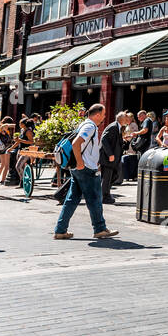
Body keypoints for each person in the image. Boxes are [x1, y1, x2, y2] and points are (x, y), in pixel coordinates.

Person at [53, 103, 119, 241]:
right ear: (97, 115)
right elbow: (76, 143)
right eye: (103, 114)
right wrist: (80, 163)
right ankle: (100, 229)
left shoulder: (84, 124)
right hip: (86, 169)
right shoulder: (90, 127)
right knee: (95, 199)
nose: (104, 117)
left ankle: (60, 230)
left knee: (71, 199)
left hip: (79, 169)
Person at [100, 111, 132, 205]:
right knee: (107, 177)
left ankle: (105, 193)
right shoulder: (113, 127)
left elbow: (115, 142)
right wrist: (110, 154)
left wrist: (125, 141)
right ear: (122, 119)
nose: (128, 120)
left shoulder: (118, 127)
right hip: (108, 158)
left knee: (115, 175)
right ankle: (104, 196)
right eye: (126, 118)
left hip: (115, 158)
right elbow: (104, 140)